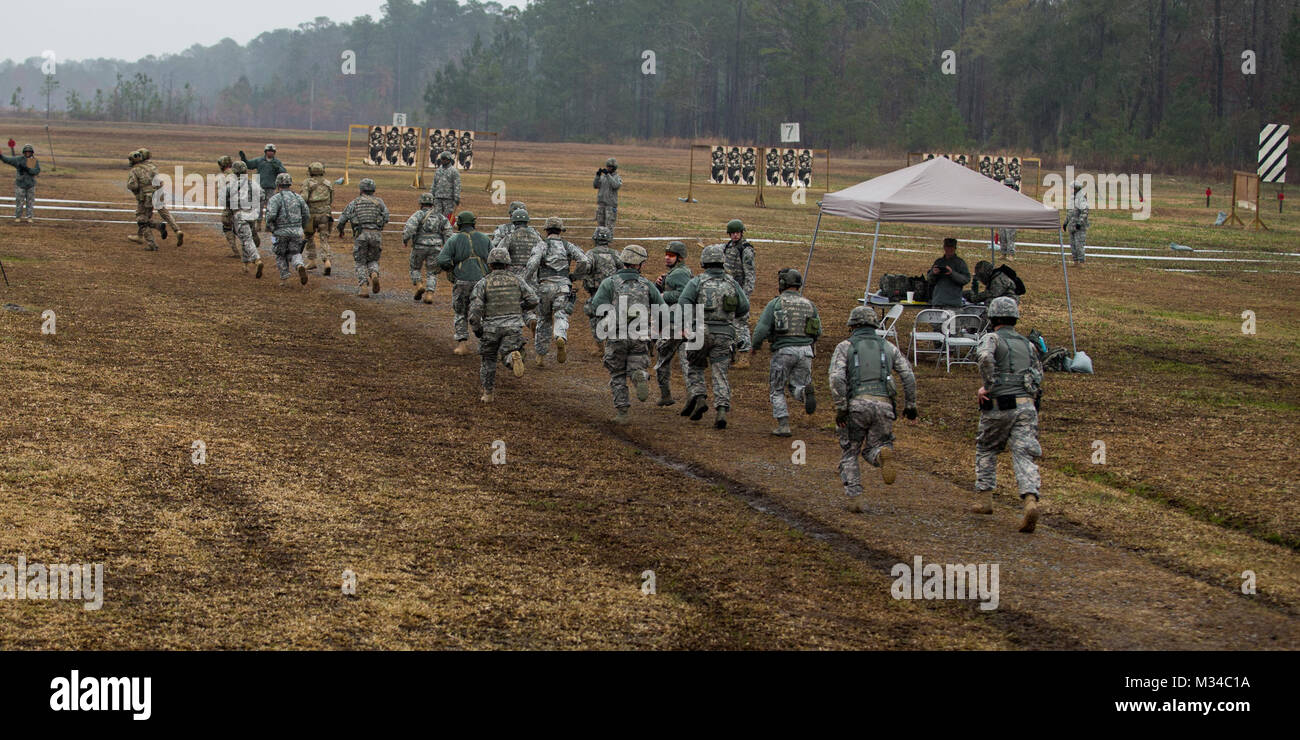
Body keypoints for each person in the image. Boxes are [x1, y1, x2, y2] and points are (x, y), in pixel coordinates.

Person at [828, 306, 917, 512]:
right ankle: (880, 454)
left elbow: (836, 377)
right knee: (875, 446)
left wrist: (841, 407)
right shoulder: (889, 347)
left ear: (853, 325)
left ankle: (855, 498)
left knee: (850, 451)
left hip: (856, 405)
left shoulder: (845, 346)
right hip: (884, 404)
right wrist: (911, 405)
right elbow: (908, 375)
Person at [973, 296, 1045, 533]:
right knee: (1024, 454)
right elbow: (1038, 374)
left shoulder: (991, 338)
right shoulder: (1028, 344)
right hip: (1025, 405)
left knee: (986, 448)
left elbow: (984, 357)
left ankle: (984, 500)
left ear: (992, 317)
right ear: (1015, 317)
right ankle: (1030, 500)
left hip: (998, 405)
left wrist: (988, 385)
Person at [677, 244, 749, 429]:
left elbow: (683, 302)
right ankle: (722, 410)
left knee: (694, 366)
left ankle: (700, 397)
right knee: (720, 372)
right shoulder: (732, 283)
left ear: (704, 262)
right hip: (724, 334)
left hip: (700, 332)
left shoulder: (697, 282)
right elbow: (744, 307)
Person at [590, 244, 663, 424]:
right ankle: (640, 376)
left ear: (623, 261)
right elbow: (661, 310)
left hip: (617, 336)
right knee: (637, 366)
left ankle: (622, 413)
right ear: (640, 264)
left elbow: (596, 307)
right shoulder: (647, 285)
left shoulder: (610, 283)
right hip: (640, 337)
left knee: (617, 374)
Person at [751, 268, 821, 437]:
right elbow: (818, 331)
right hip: (805, 352)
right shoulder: (810, 305)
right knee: (798, 384)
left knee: (777, 388)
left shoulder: (776, 303)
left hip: (783, 351)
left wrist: (755, 346)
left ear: (782, 284)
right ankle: (804, 393)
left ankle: (783, 424)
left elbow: (761, 329)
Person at [468, 246, 539, 402]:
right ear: (508, 264)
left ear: (490, 264)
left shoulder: (483, 283)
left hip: (490, 328)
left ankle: (488, 394)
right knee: (510, 351)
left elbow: (475, 310)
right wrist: (519, 308)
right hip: (513, 326)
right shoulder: (517, 280)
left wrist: (477, 328)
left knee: (488, 360)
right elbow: (533, 299)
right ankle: (512, 357)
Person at [525, 217, 590, 366]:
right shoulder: (568, 246)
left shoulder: (541, 245)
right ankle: (560, 336)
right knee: (561, 314)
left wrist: (526, 281)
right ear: (561, 231)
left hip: (545, 286)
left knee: (544, 319)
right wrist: (573, 276)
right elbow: (584, 260)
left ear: (547, 230)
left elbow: (533, 263)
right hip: (563, 287)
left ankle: (540, 355)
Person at [438, 211, 493, 356]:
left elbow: (442, 259)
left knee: (460, 312)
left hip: (462, 281)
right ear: (474, 223)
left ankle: (462, 345)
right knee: (483, 311)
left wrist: (451, 269)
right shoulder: (485, 238)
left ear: (459, 224)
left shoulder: (453, 240)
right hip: (482, 281)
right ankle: (484, 342)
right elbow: (493, 258)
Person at [706, 219, 755, 368]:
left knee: (741, 323)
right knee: (727, 321)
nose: (735, 235)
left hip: (739, 291)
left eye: (737, 233)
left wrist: (745, 295)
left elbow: (750, 274)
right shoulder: (727, 246)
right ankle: (730, 353)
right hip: (726, 291)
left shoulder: (746, 250)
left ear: (741, 233)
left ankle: (744, 355)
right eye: (732, 233)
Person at [652, 241, 693, 406]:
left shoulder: (678, 274)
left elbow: (683, 295)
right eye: (666, 254)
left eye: (671, 256)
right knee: (686, 362)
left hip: (674, 324)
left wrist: (662, 295)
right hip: (683, 323)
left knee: (663, 360)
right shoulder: (679, 272)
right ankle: (693, 395)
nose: (667, 258)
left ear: (680, 258)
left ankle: (666, 395)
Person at [336, 178, 390, 297]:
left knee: (360, 262)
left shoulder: (355, 202)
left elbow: (342, 219)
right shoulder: (380, 202)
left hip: (361, 234)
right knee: (373, 260)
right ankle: (374, 274)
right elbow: (386, 217)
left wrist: (341, 230)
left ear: (361, 189)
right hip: (376, 234)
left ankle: (363, 287)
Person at [499, 207, 544, 338]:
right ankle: (530, 319)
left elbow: (500, 254)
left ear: (513, 222)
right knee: (529, 302)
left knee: (513, 304)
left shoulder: (509, 237)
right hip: (532, 274)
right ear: (527, 221)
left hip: (514, 275)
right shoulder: (537, 237)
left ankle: (514, 331)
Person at [126, 149, 183, 250]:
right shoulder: (152, 166)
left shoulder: (134, 170)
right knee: (164, 213)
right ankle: (176, 229)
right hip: (158, 192)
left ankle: (151, 243)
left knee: (141, 218)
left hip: (146, 196)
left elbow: (133, 185)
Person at [403, 192, 453, 304]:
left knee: (415, 268)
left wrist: (405, 240)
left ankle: (419, 285)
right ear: (432, 203)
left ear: (421, 203)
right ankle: (429, 295)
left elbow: (409, 228)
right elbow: (448, 231)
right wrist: (446, 245)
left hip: (419, 246)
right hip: (436, 247)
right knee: (432, 272)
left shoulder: (418, 214)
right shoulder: (440, 216)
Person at [264, 172, 311, 286]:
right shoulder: (298, 197)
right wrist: (301, 227)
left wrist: (271, 227)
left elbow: (271, 216)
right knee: (295, 252)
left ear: (278, 184)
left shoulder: (275, 199)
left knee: (280, 254)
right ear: (290, 183)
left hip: (281, 231)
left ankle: (284, 279)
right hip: (297, 231)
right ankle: (299, 265)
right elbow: (306, 214)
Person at [583, 226, 623, 355]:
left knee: (594, 316)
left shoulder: (591, 253)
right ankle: (610, 344)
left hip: (596, 291)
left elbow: (586, 268)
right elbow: (622, 267)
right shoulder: (615, 253)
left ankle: (600, 347)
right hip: (613, 291)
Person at [226, 161, 263, 277]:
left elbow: (224, 199)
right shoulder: (253, 183)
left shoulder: (231, 185)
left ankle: (257, 260)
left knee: (246, 240)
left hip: (240, 215)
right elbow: (262, 196)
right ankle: (245, 265)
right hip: (252, 214)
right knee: (245, 239)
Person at [240, 144, 286, 233]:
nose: (270, 153)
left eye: (272, 151)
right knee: (258, 207)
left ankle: (268, 225)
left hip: (271, 188)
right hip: (259, 188)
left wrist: (278, 168)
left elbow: (284, 172)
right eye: (269, 151)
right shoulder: (259, 160)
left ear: (274, 153)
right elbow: (249, 165)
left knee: (271, 208)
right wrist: (244, 159)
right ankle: (258, 225)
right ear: (265, 152)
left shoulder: (277, 162)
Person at [301, 162, 334, 274]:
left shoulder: (307, 183)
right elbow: (331, 199)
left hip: (310, 216)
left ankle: (312, 261)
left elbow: (304, 198)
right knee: (324, 238)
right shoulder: (328, 183)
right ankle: (327, 261)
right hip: (324, 215)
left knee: (309, 237)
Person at [925, 237, 970, 308]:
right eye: (947, 247)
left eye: (951, 247)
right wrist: (934, 273)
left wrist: (952, 273)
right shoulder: (939, 261)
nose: (949, 249)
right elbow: (929, 280)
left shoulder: (960, 263)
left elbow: (966, 279)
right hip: (938, 302)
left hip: (953, 304)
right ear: (944, 247)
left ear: (955, 248)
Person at [2, 143, 39, 222]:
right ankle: (18, 217)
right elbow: (8, 160)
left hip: (30, 185)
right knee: (19, 202)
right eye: (26, 152)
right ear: (24, 152)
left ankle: (29, 217)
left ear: (32, 152)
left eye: (29, 152)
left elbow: (35, 171)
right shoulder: (19, 159)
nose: (28, 153)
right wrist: (1, 156)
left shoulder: (32, 160)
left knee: (30, 202)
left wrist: (27, 168)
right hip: (20, 184)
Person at [216, 156, 240, 258]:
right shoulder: (237, 173)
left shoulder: (225, 176)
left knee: (227, 226)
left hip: (230, 204)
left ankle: (236, 251)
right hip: (241, 204)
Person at [429, 151, 461, 217]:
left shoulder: (454, 171)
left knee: (447, 217)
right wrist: (431, 195)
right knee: (436, 216)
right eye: (442, 159)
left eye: (444, 159)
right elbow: (434, 183)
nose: (443, 160)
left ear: (449, 160)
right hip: (438, 197)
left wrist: (457, 197)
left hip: (449, 199)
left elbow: (457, 185)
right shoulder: (438, 170)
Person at [593, 157, 621, 232]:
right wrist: (597, 176)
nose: (608, 168)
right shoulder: (603, 177)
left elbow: (615, 185)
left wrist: (608, 175)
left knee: (609, 226)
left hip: (610, 205)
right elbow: (595, 186)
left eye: (610, 167)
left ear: (614, 168)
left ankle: (608, 240)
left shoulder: (616, 177)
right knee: (600, 225)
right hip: (601, 204)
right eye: (607, 166)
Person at [1064, 180, 1089, 264]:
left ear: (1076, 189)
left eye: (1072, 188)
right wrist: (1066, 222)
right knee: (1073, 246)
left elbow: (1084, 212)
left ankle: (1081, 263)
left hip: (1079, 228)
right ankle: (1075, 262)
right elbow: (1069, 212)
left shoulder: (1081, 198)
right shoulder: (1072, 199)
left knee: (1079, 246)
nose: (1071, 190)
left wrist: (1079, 223)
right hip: (1071, 226)